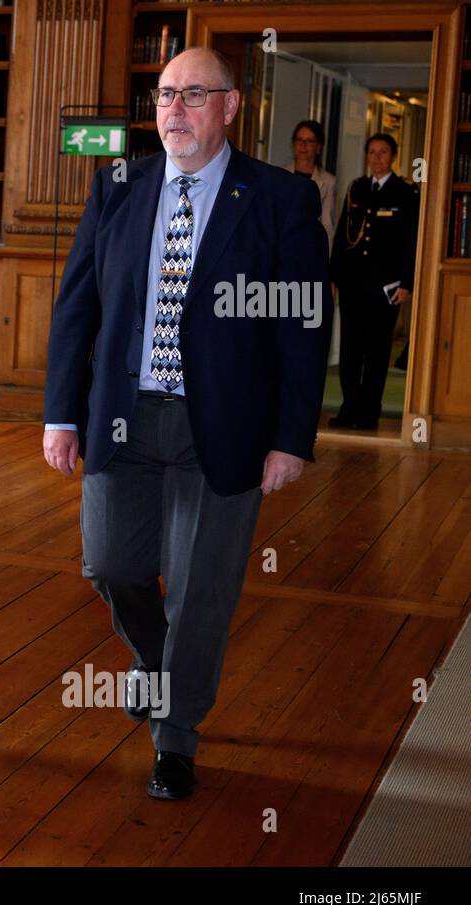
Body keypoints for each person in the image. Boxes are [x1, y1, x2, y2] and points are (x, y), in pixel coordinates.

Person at [43, 47, 331, 799]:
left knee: (200, 589)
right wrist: (59, 415)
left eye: (194, 95)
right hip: (122, 418)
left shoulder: (278, 199)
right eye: (166, 94)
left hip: (225, 428)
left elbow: (303, 326)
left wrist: (290, 437)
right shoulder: (118, 188)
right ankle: (156, 658)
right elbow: (78, 308)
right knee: (111, 565)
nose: (174, 109)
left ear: (231, 108)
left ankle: (177, 736)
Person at [328, 132, 420, 430]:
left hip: (385, 287)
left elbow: (411, 242)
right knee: (351, 350)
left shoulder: (405, 192)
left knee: (377, 352)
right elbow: (343, 236)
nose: (376, 158)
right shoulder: (357, 188)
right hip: (354, 284)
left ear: (393, 156)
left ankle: (369, 411)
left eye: (383, 152)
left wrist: (407, 282)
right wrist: (334, 276)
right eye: (372, 152)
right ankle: (349, 407)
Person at [283, 119, 337, 254]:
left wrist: (326, 257)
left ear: (318, 147)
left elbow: (327, 224)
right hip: (283, 245)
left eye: (309, 141)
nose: (303, 145)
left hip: (310, 247)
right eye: (299, 140)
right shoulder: (281, 174)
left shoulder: (329, 181)